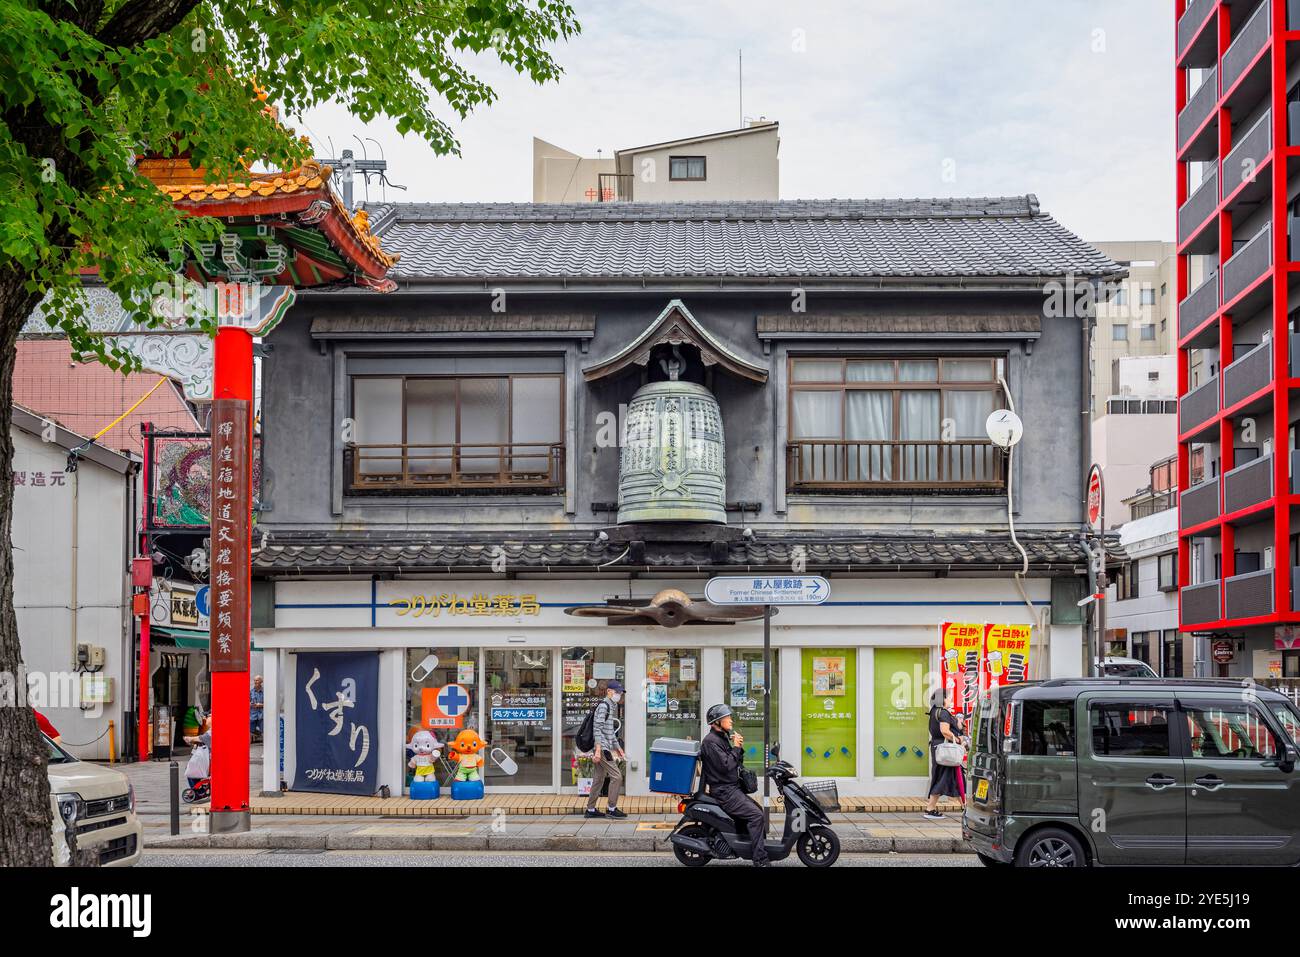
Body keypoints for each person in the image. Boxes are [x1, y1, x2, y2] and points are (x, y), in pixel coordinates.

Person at [700, 703, 770, 867]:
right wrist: (736, 748)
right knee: (756, 816)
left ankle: (747, 846)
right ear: (717, 722)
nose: (731, 720)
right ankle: (760, 859)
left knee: (756, 812)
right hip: (725, 791)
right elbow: (726, 766)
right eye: (727, 718)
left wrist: (739, 748)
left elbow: (735, 763)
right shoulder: (710, 742)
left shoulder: (721, 738)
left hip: (731, 789)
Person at [585, 680, 627, 819]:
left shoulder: (610, 706)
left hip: (604, 746)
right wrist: (598, 750)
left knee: (599, 778)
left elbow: (610, 732)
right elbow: (597, 729)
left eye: (620, 693)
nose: (619, 695)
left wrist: (619, 748)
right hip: (602, 748)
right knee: (617, 776)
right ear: (609, 691)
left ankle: (590, 810)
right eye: (617, 692)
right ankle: (611, 808)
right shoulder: (604, 706)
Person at [924, 688, 964, 820]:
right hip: (945, 749)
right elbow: (945, 731)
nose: (951, 699)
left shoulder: (935, 711)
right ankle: (930, 809)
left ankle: (965, 806)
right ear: (943, 699)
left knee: (953, 776)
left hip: (939, 748)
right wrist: (958, 740)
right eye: (949, 697)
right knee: (943, 777)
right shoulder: (944, 713)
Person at [182, 725, 212, 790]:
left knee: (190, 770)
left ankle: (197, 791)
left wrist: (189, 739)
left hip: (210, 762)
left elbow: (202, 738)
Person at [250, 676, 264, 741]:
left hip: (261, 715)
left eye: (257, 680)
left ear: (261, 682)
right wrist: (250, 704)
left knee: (264, 730)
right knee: (250, 730)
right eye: (255, 680)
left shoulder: (265, 692)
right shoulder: (251, 692)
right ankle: (257, 736)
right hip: (252, 715)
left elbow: (269, 703)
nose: (255, 682)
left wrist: (260, 705)